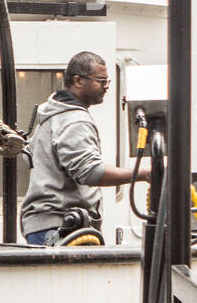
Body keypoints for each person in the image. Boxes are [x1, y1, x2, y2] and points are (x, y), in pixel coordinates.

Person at [20, 51, 150, 245]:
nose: (106, 87)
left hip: (46, 226)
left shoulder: (52, 116)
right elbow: (90, 172)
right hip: (59, 226)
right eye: (100, 81)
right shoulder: (74, 120)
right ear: (78, 80)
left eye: (108, 81)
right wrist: (145, 174)